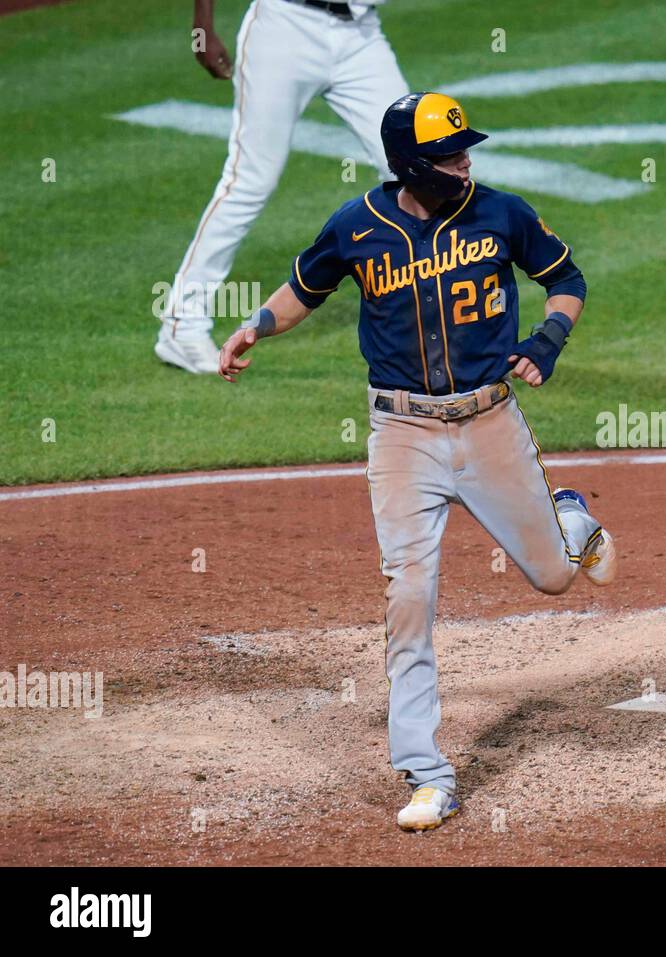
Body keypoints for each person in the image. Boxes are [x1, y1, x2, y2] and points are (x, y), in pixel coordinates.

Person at [218, 92, 618, 830]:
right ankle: (427, 772)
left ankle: (570, 519)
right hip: (401, 435)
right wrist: (254, 326)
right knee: (409, 595)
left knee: (555, 577)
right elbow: (306, 286)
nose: (467, 162)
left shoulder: (503, 214)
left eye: (466, 150)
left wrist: (546, 342)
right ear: (412, 166)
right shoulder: (357, 226)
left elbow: (567, 281)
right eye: (451, 154)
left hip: (490, 422)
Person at [157, 0, 407, 374]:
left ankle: (426, 306)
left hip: (360, 33)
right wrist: (202, 26)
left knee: (411, 165)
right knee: (250, 180)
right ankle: (182, 324)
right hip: (284, 26)